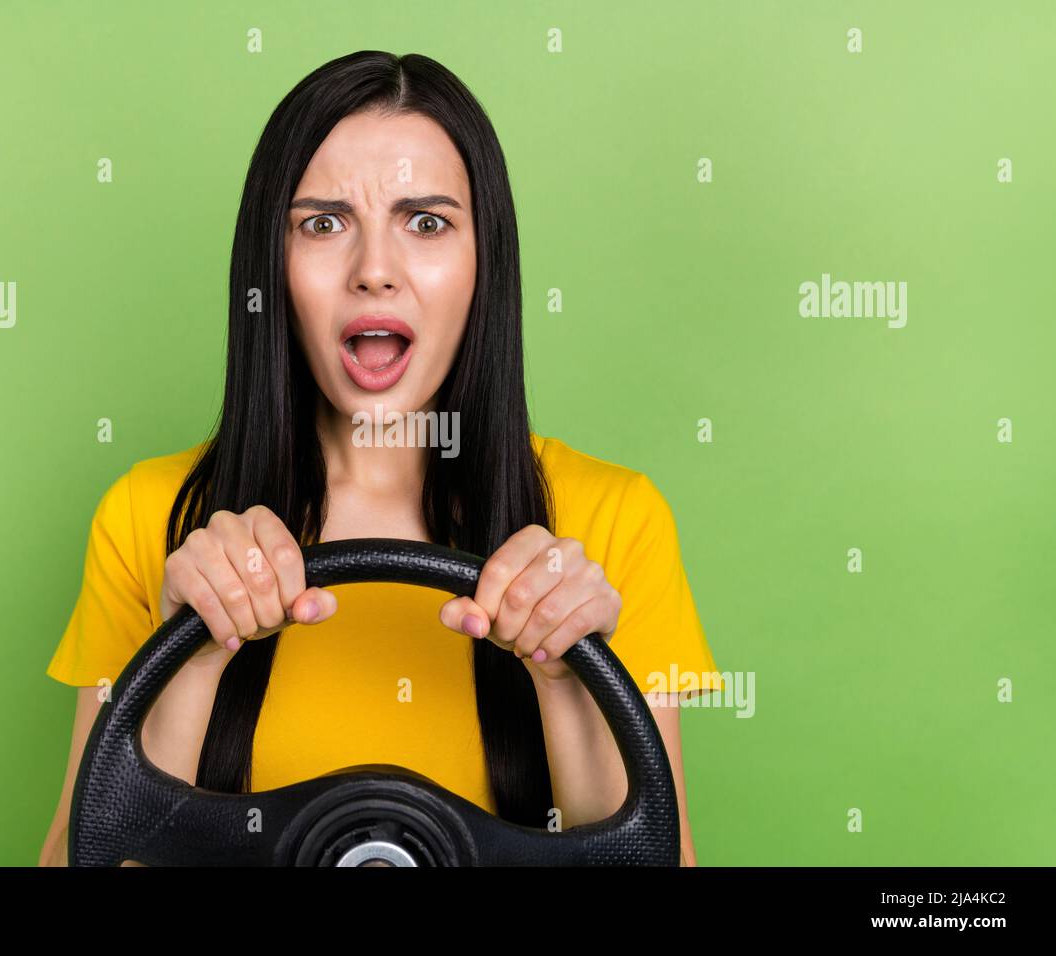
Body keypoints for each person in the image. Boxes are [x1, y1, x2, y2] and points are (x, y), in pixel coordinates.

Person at [38, 50, 721, 868]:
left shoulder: (613, 523)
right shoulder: (153, 517)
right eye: (322, 224)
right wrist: (190, 655)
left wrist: (568, 680)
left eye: (427, 223)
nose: (374, 273)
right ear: (271, 266)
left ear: (484, 265)